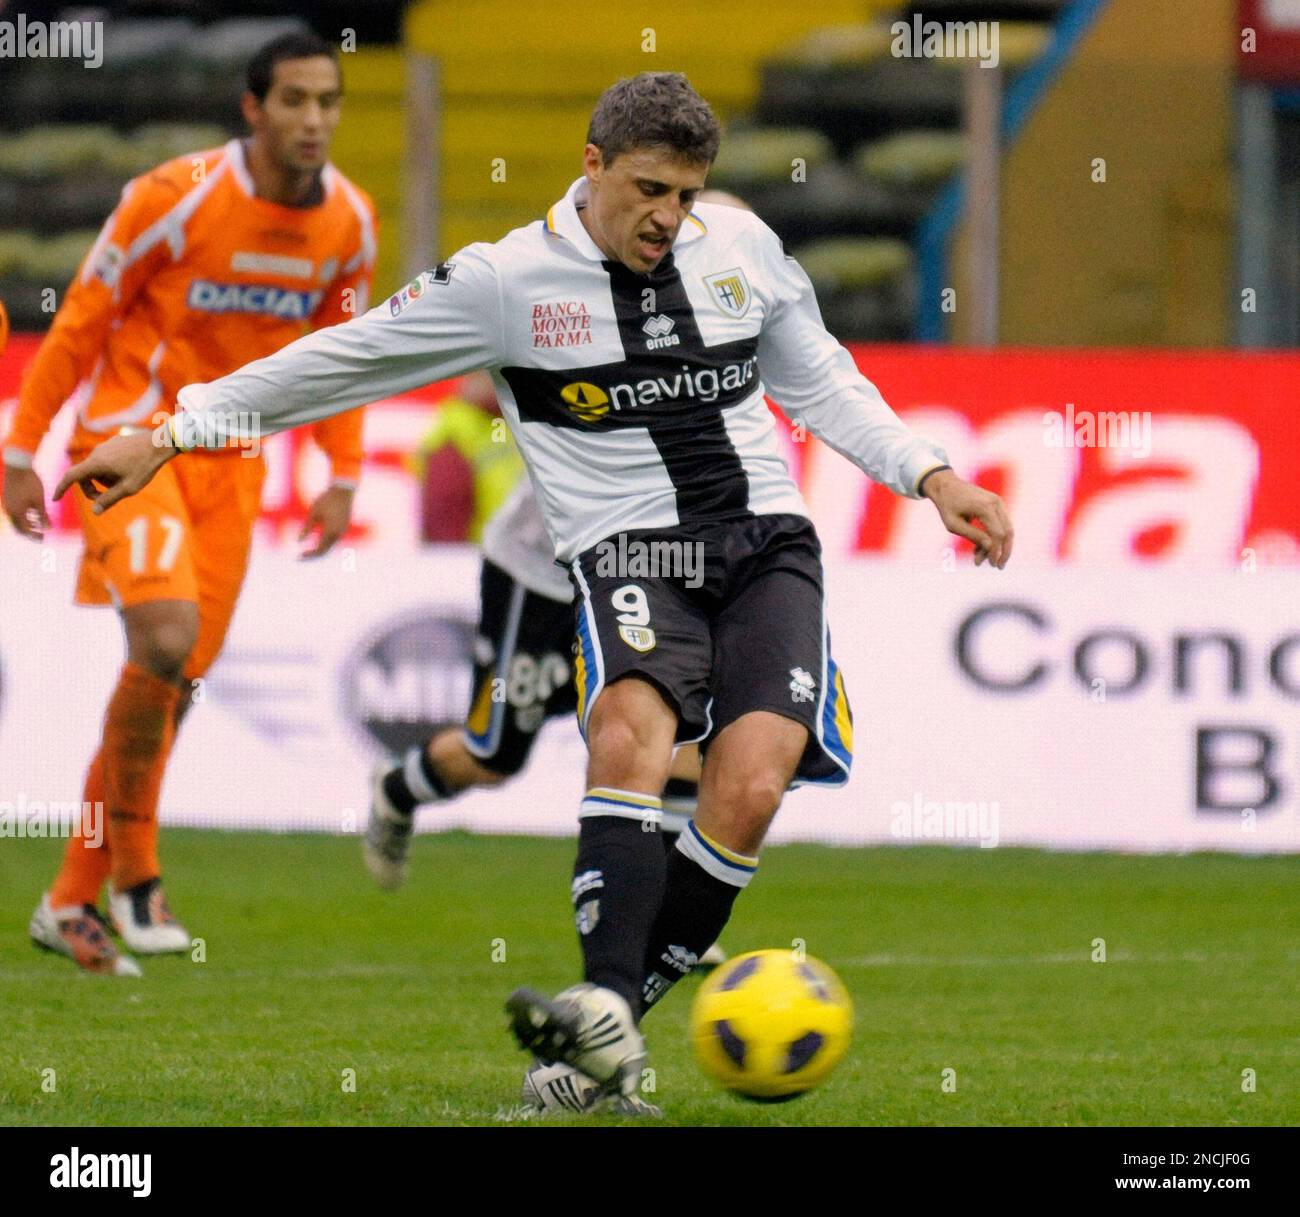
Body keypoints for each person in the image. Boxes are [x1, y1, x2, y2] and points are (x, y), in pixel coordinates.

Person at [55, 71, 1012, 1113]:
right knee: (629, 732)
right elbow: (339, 361)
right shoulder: (505, 283)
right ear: (591, 166)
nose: (667, 217)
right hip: (629, 552)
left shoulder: (738, 249)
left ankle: (596, 1049)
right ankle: (602, 998)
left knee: (748, 784)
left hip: (767, 542)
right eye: (648, 189)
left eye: (685, 195)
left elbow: (818, 376)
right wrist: (171, 431)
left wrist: (931, 473)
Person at [3, 31, 377, 977]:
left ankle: (68, 900)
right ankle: (139, 869)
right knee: (164, 641)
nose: (313, 120)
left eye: (328, 102)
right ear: (253, 108)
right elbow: (81, 317)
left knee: (173, 692)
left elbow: (345, 359)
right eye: (294, 100)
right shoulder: (174, 198)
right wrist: (19, 447)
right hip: (132, 447)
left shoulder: (350, 225)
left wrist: (339, 472)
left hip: (235, 469)